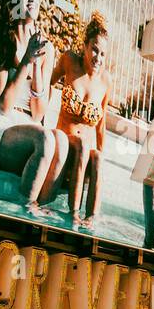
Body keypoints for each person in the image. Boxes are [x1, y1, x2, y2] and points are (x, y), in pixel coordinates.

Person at [0, 0, 69, 213]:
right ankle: (24, 212)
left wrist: (39, 64)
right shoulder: (1, 30)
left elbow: (39, 114)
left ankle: (41, 220)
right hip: (2, 123)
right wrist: (27, 60)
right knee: (44, 138)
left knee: (60, 140)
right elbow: (5, 104)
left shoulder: (47, 47)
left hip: (28, 121)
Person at [50, 15, 112, 227]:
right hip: (65, 143)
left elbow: (101, 124)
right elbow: (47, 84)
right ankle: (73, 213)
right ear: (85, 46)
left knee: (98, 158)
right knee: (84, 144)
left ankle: (91, 218)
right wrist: (38, 120)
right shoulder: (69, 61)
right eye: (95, 49)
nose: (98, 58)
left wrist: (102, 152)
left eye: (103, 54)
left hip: (83, 156)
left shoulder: (106, 81)